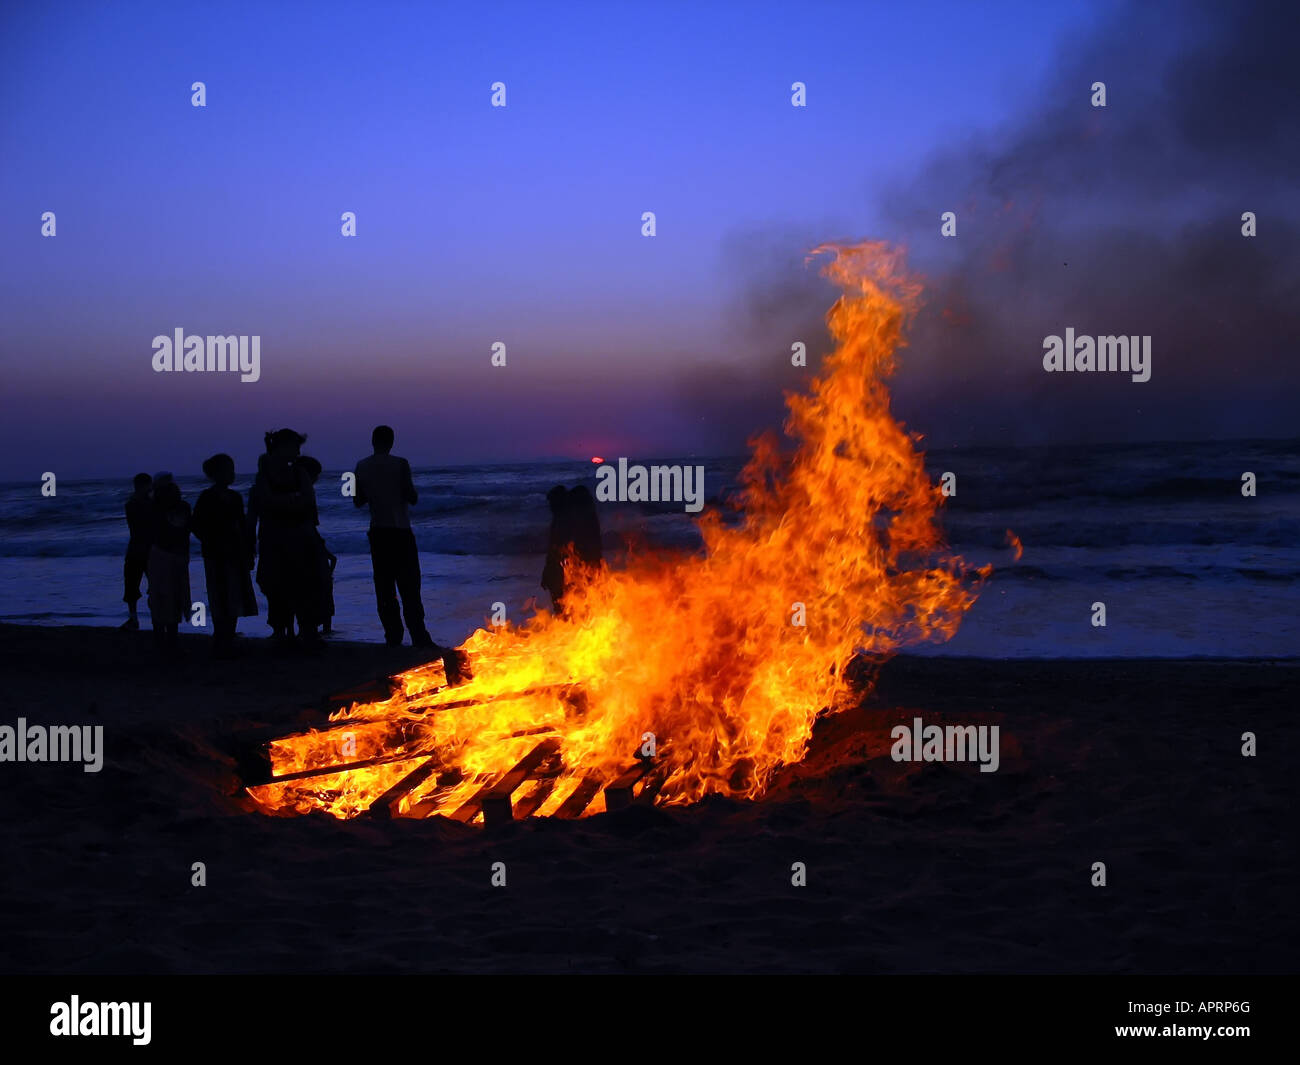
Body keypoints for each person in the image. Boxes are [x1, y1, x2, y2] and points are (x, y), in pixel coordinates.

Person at [353, 425, 434, 648]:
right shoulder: (400, 464)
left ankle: (393, 636)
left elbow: (357, 500)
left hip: (378, 531)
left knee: (384, 587)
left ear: (372, 441)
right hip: (400, 530)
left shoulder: (361, 466)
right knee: (409, 586)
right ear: (392, 441)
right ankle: (419, 636)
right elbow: (412, 496)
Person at [248, 429, 322, 649]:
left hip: (296, 538)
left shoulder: (298, 473)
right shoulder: (266, 475)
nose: (298, 452)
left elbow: (307, 502)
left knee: (302, 586)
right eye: (294, 447)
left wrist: (283, 502)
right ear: (281, 447)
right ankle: (283, 631)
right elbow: (263, 504)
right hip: (277, 539)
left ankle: (302, 632)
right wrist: (292, 500)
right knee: (277, 586)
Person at [192, 453, 257, 656]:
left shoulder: (235, 497)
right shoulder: (207, 497)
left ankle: (228, 634)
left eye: (232, 469)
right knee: (219, 593)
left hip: (235, 552)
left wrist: (248, 550)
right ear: (216, 474)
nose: (232, 474)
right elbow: (196, 524)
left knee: (234, 593)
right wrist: (211, 540)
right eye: (228, 470)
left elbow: (243, 526)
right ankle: (221, 635)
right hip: (216, 554)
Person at [541, 483, 603, 614]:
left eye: (552, 503)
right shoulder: (578, 517)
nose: (550, 507)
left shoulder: (568, 519)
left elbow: (557, 547)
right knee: (576, 604)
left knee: (572, 604)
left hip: (573, 568)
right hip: (576, 568)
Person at [146, 473, 191, 651]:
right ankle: (171, 639)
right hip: (176, 556)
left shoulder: (153, 508)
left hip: (161, 554)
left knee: (161, 597)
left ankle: (161, 639)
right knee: (175, 597)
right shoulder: (182, 507)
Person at [297, 456, 337, 636]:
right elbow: (306, 525)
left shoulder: (300, 494)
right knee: (319, 586)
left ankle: (311, 628)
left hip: (308, 544)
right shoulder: (303, 495)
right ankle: (318, 629)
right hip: (306, 546)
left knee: (316, 587)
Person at [121, 472, 153, 630]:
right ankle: (135, 618)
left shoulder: (133, 504)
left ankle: (135, 619)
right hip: (143, 549)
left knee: (136, 585)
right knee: (133, 585)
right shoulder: (142, 504)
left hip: (140, 549)